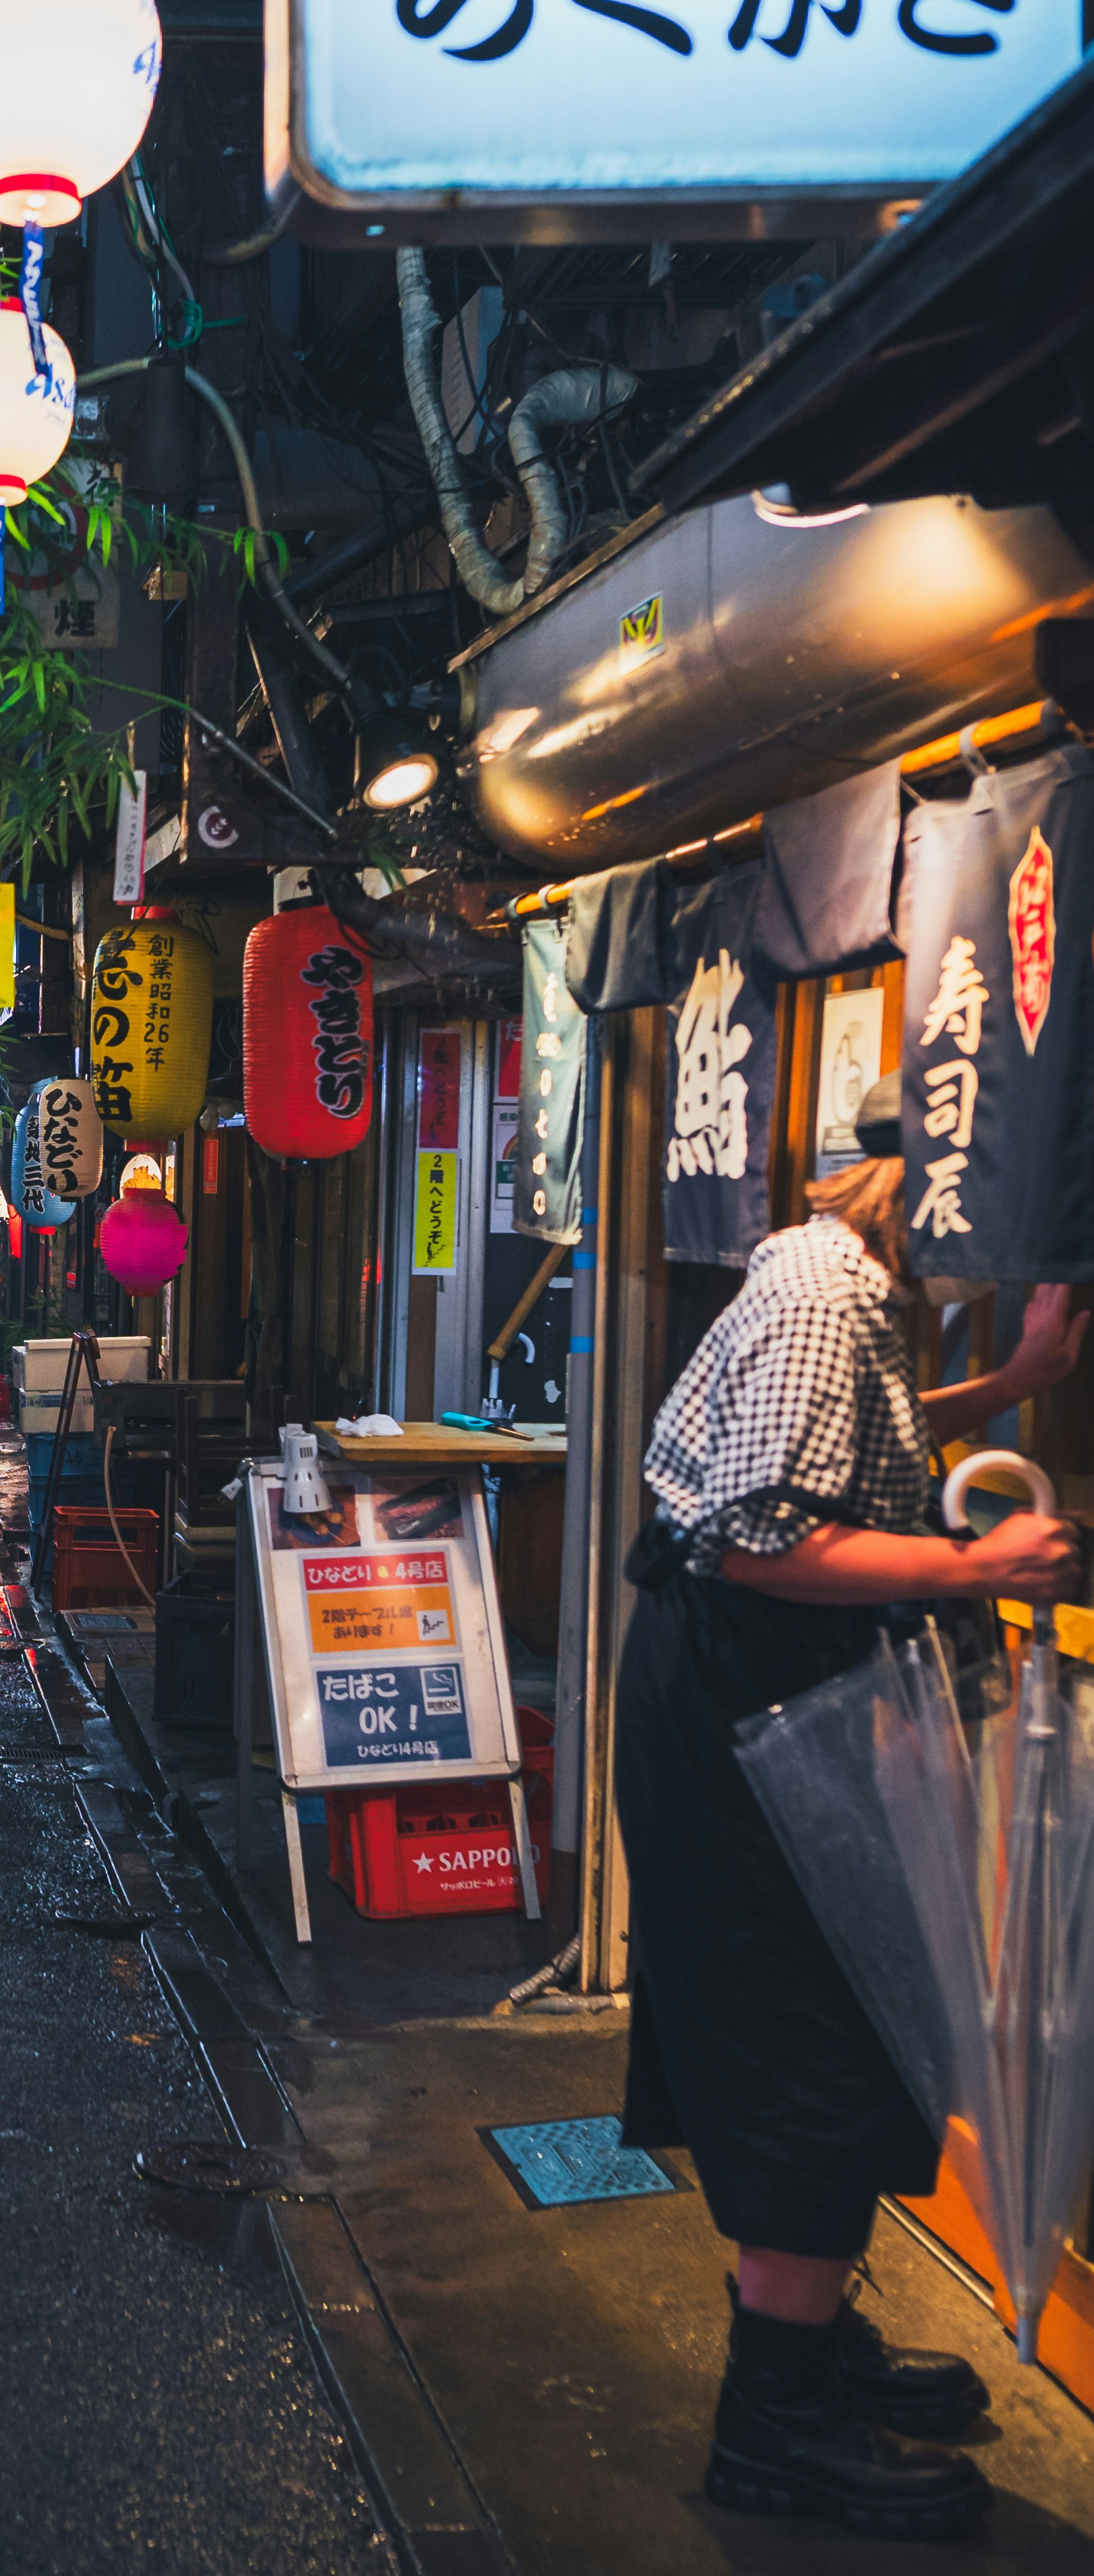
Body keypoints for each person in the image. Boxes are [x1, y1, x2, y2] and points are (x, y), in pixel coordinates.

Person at [616, 1073, 1083, 2538]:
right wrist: (976, 1567)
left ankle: (807, 2341)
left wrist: (1004, 1385)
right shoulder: (829, 1297)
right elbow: (758, 1530)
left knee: (827, 2027)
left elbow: (837, 1442)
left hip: (745, 1703)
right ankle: (771, 2417)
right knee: (806, 2043)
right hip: (745, 1707)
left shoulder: (832, 1283)